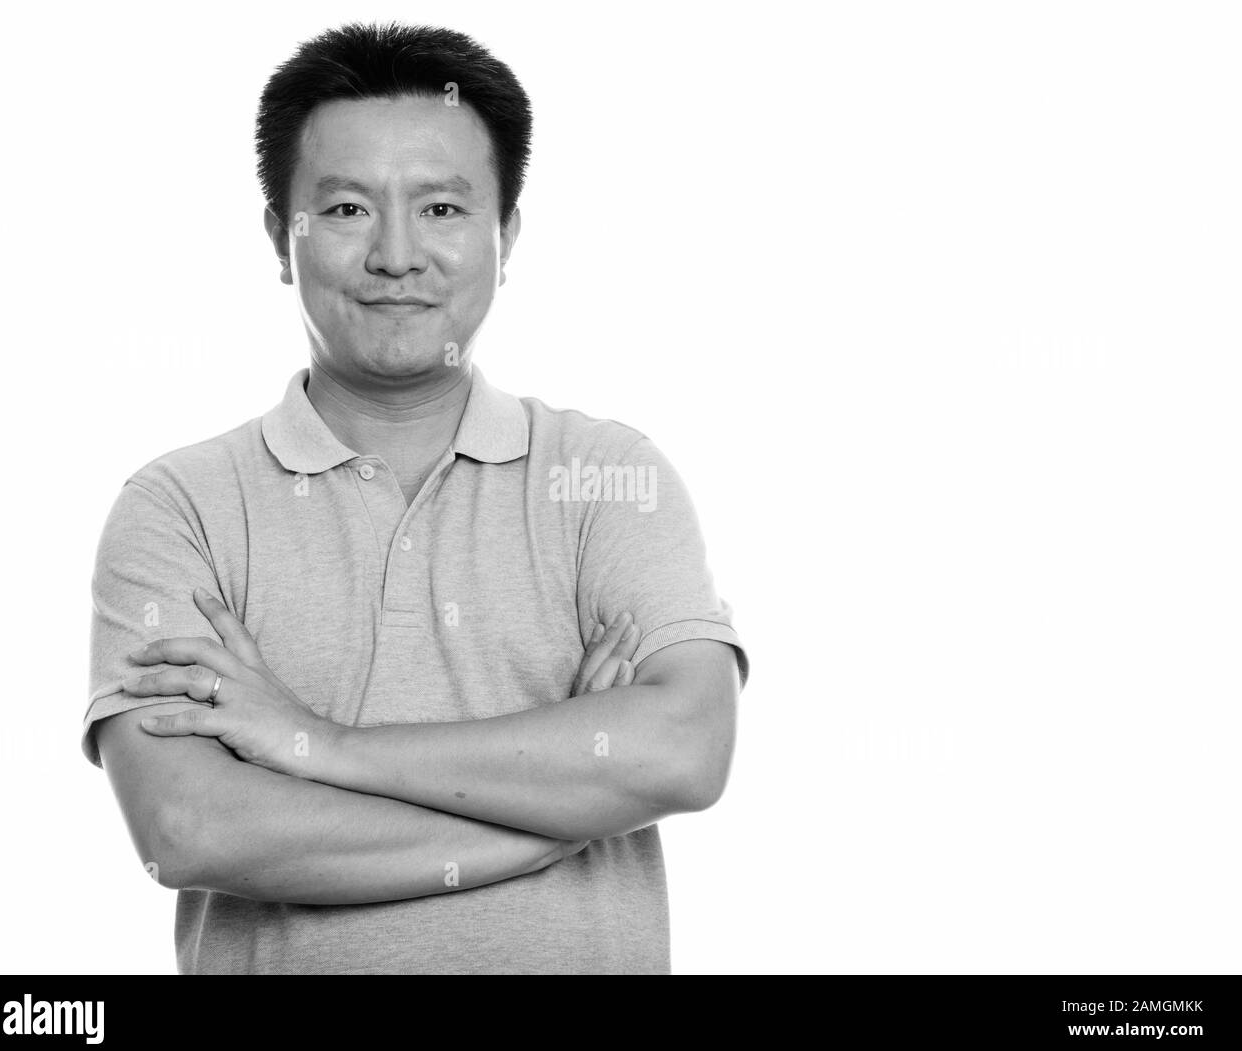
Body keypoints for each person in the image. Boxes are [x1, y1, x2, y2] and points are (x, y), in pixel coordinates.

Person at [84, 20, 748, 975]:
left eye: (441, 210)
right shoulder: (178, 508)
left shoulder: (606, 477)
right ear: (283, 236)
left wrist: (318, 745)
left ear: (506, 234)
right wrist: (557, 819)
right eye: (348, 209)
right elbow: (189, 828)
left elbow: (684, 751)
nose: (397, 255)